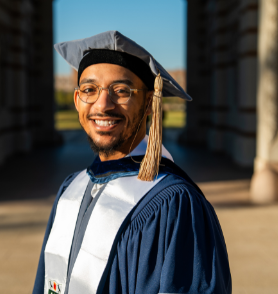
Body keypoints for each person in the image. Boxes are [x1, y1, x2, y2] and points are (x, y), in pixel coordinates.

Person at [34, 31, 230, 294]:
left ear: (149, 103)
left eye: (122, 91)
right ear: (77, 100)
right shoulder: (71, 187)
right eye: (89, 90)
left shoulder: (174, 203)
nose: (103, 105)